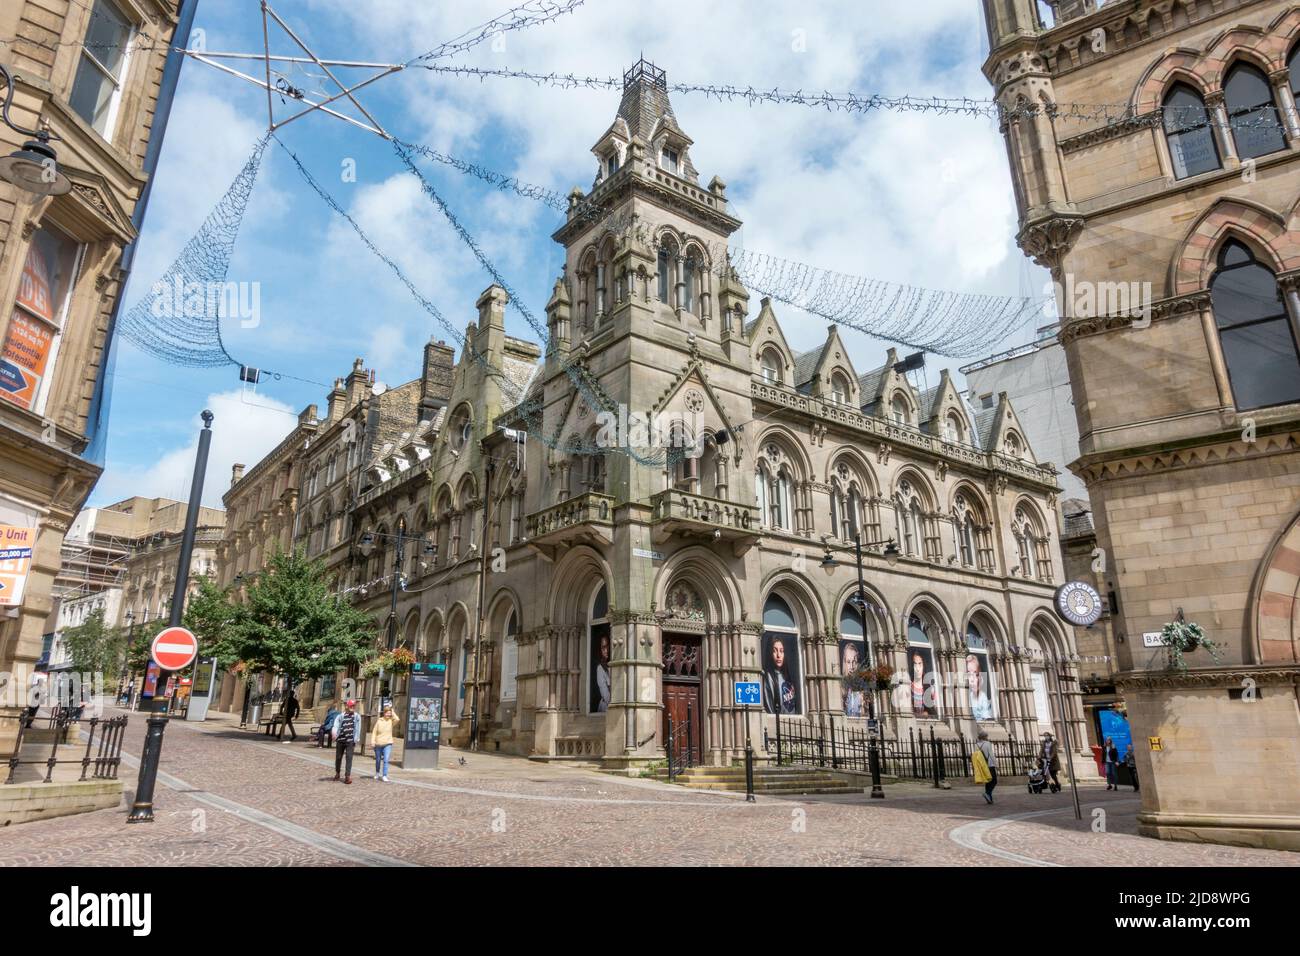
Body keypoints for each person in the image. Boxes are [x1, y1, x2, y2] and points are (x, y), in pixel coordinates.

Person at [763, 637, 798, 714]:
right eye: (775, 651)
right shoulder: (769, 677)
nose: (778, 655)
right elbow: (770, 708)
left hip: (792, 721)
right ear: (770, 653)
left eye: (781, 651)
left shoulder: (788, 677)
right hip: (779, 722)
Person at [332, 699, 360, 784]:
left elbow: (358, 728)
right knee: (338, 757)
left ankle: (347, 776)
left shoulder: (357, 716)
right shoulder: (340, 716)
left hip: (350, 741)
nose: (353, 707)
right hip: (340, 739)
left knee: (349, 757)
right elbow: (336, 726)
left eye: (354, 706)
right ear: (346, 706)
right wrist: (334, 735)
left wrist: (356, 739)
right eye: (351, 705)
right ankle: (337, 773)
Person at [371, 704, 399, 782]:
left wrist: (392, 711)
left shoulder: (391, 721)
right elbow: (374, 732)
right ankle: (377, 772)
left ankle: (384, 775)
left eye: (389, 713)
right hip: (378, 743)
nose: (388, 714)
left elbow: (397, 719)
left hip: (388, 743)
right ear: (384, 713)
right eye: (387, 713)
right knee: (378, 760)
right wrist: (373, 742)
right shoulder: (379, 721)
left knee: (386, 760)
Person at [966, 654, 994, 721]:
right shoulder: (966, 696)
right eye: (969, 674)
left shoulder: (982, 696)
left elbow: (986, 715)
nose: (972, 679)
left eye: (976, 674)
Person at [973, 729, 998, 804]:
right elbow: (991, 755)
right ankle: (987, 793)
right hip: (990, 765)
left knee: (988, 781)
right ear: (985, 737)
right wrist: (996, 765)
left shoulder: (976, 744)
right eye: (987, 736)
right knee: (994, 781)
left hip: (982, 765)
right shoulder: (988, 743)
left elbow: (976, 756)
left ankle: (989, 798)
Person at [840, 641, 864, 718]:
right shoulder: (839, 687)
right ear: (844, 663)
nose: (852, 667)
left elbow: (863, 713)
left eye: (854, 662)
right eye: (848, 662)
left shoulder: (861, 687)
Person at [594, 633, 611, 713]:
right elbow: (606, 696)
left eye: (607, 646)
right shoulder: (600, 669)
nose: (606, 650)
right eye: (603, 648)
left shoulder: (613, 665)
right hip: (606, 708)